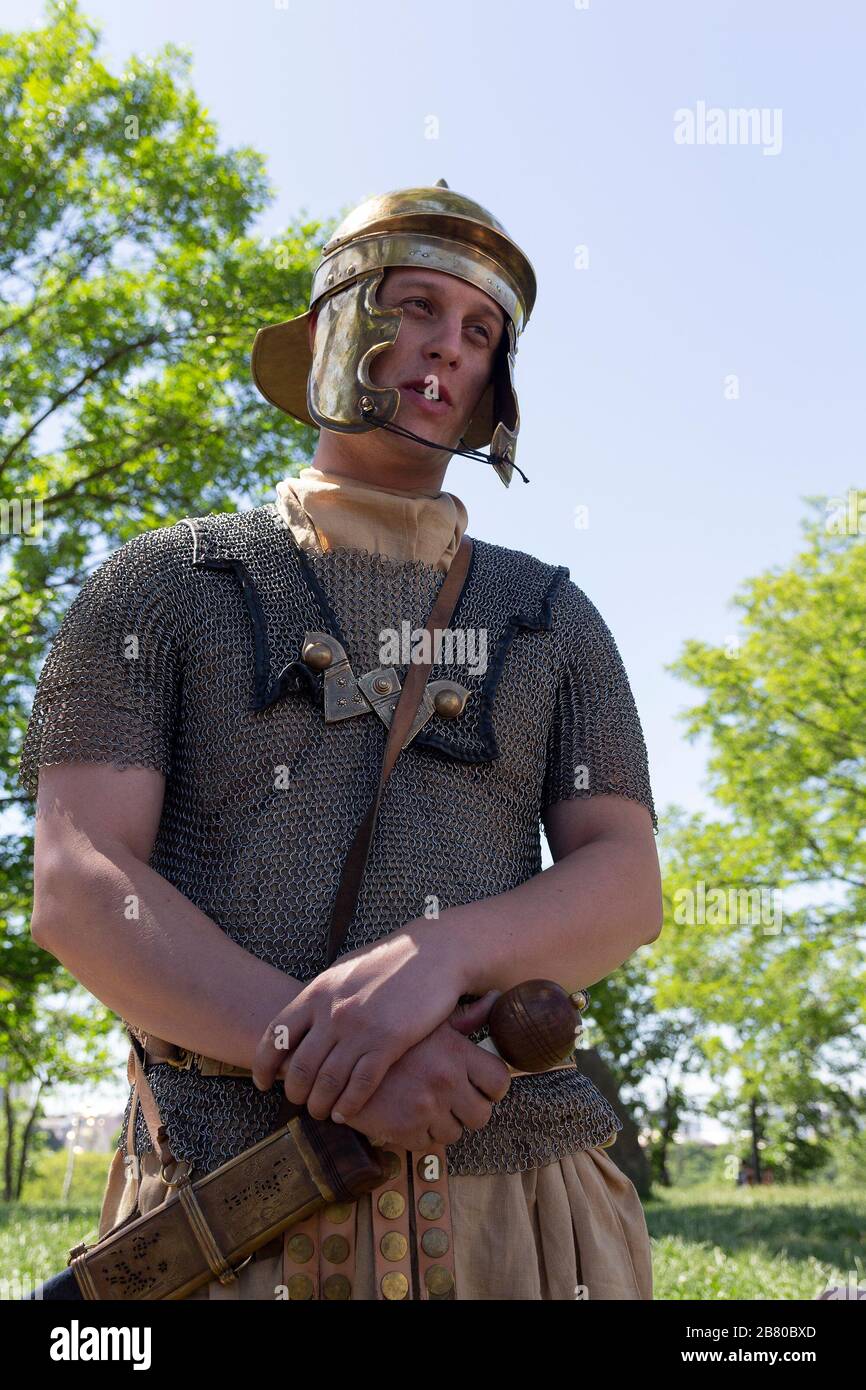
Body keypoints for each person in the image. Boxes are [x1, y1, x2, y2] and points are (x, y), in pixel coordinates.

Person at [20, 180, 662, 1300]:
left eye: (477, 331)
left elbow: (626, 884)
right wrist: (321, 1051)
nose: (444, 348)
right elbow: (79, 882)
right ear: (331, 330)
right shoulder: (164, 582)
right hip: (238, 1197)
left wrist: (439, 958)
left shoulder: (551, 616)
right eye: (414, 306)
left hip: (517, 1214)